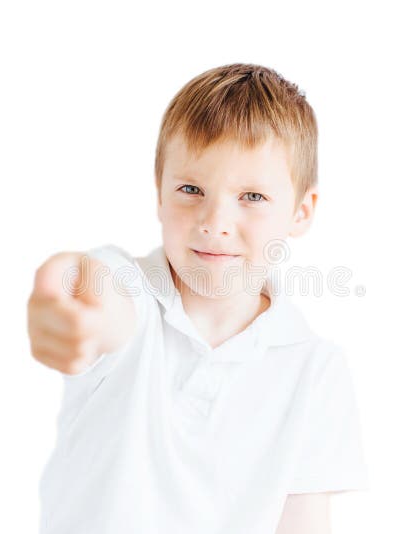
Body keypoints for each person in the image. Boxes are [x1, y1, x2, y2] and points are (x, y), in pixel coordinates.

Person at [27, 62, 369, 534]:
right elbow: (94, 287)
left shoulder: (314, 370)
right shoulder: (135, 296)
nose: (215, 221)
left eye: (251, 196)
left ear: (301, 212)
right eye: (191, 189)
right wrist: (66, 299)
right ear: (159, 194)